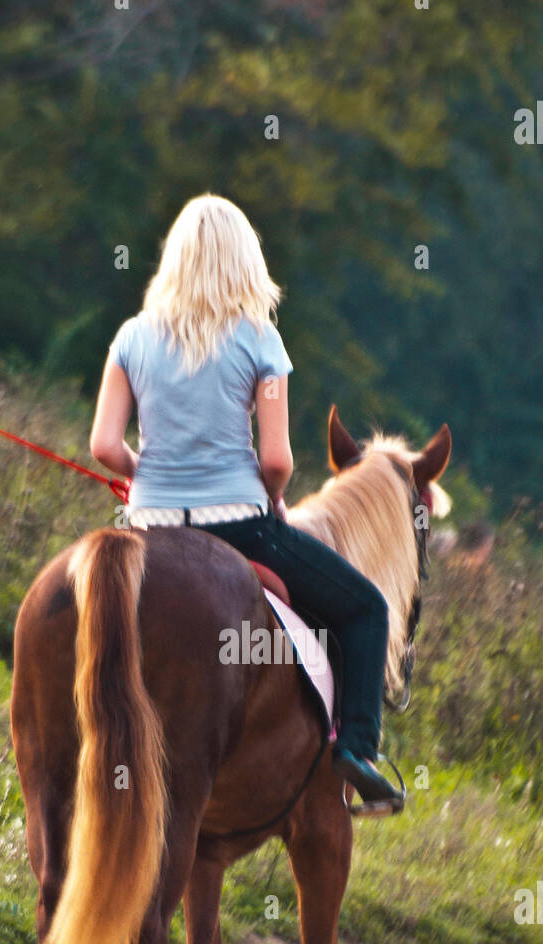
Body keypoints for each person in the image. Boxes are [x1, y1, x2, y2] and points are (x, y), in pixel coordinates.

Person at [89, 193, 401, 807]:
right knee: (366, 608)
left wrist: (144, 476)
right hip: (239, 526)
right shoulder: (261, 341)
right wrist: (274, 499)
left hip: (148, 527)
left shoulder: (130, 338)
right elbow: (278, 461)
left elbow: (103, 444)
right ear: (245, 262)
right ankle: (357, 749)